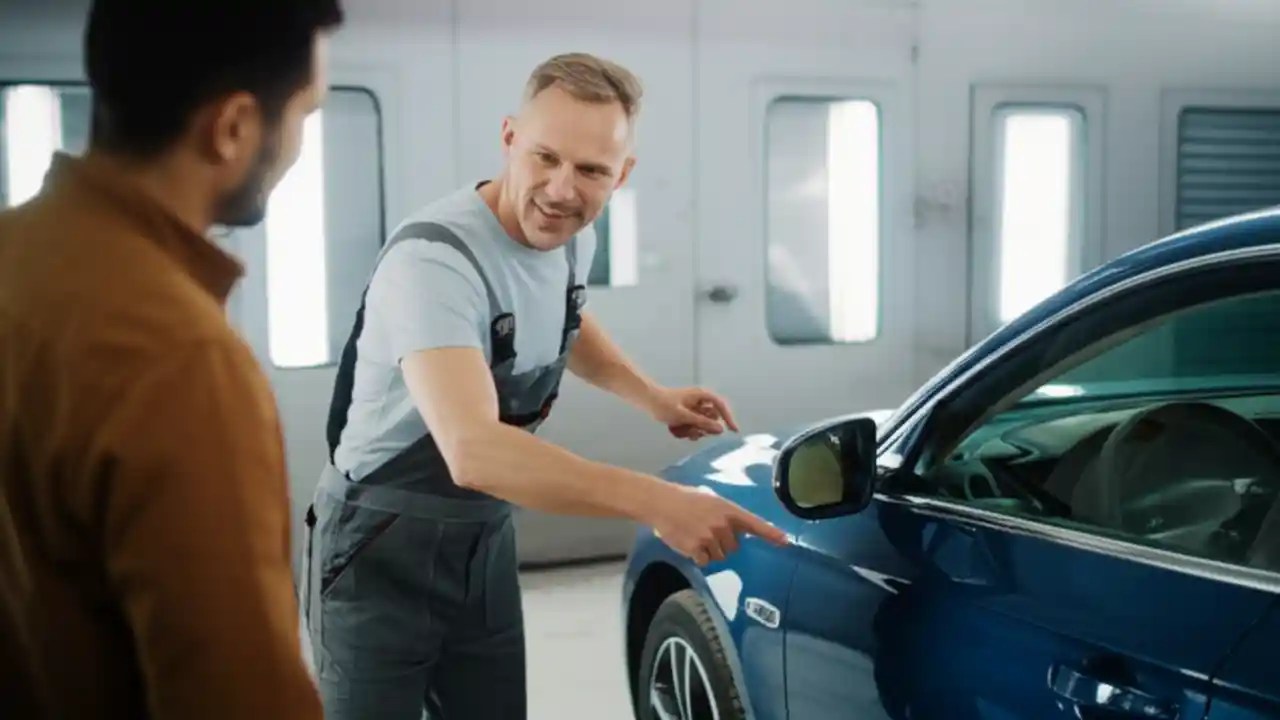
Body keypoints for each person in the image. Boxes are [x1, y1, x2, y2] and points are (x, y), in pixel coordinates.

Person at [305, 51, 789, 719]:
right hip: (380, 544)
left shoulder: (566, 238)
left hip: (482, 536)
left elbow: (565, 315)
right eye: (545, 158)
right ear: (509, 139)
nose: (563, 190)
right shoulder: (435, 263)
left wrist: (651, 396)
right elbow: (473, 451)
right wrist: (657, 502)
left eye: (591, 170)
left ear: (622, 174)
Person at [0, 1, 344, 718]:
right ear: (233, 129)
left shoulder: (17, 255)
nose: (300, 145)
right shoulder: (177, 354)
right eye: (305, 117)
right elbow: (234, 695)